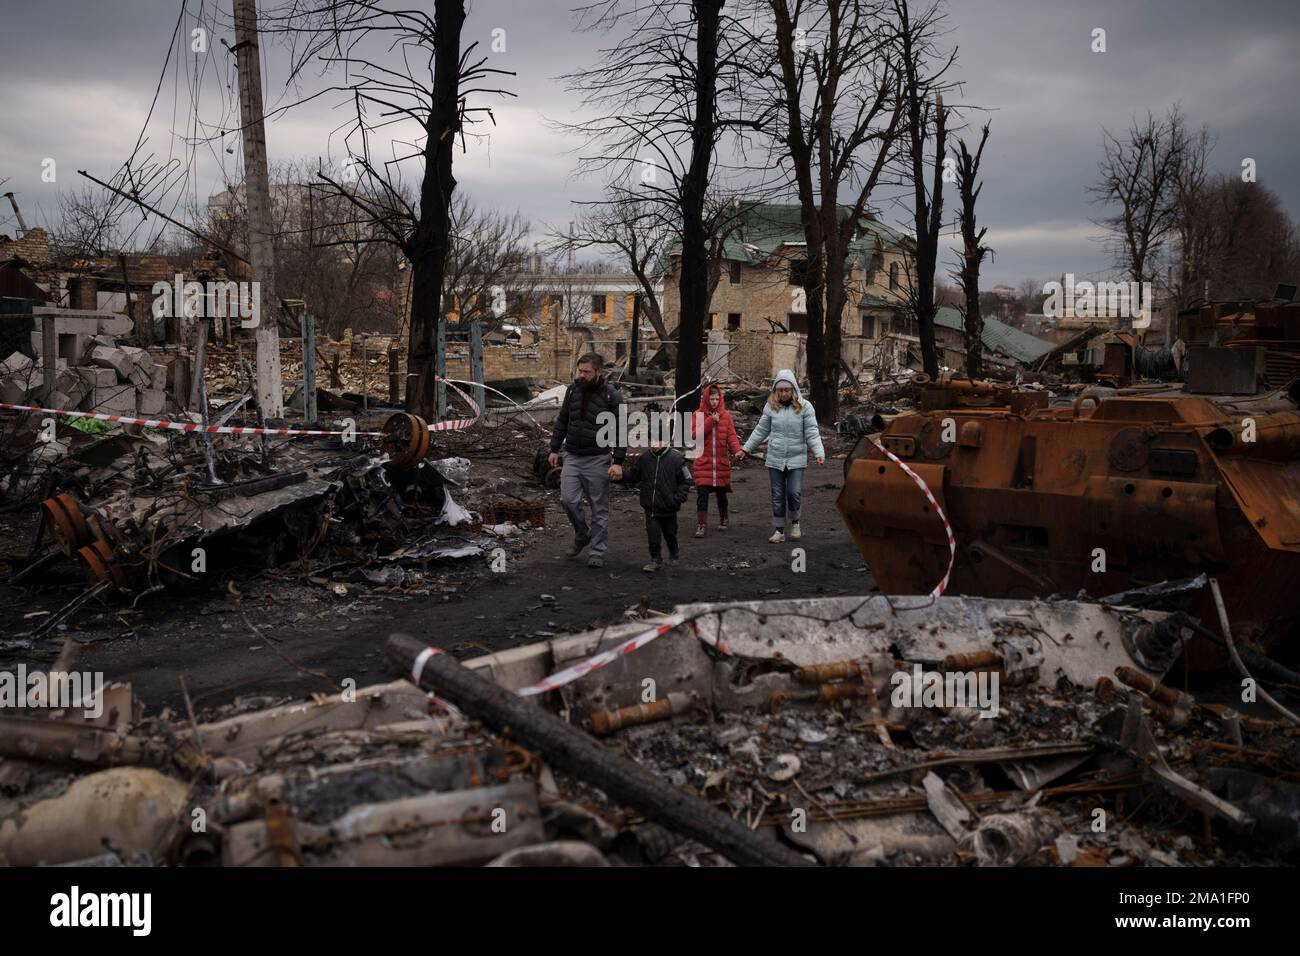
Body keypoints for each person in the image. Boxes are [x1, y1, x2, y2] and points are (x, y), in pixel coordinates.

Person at [548, 353, 625, 567]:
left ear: (598, 372)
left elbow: (620, 431)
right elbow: (563, 419)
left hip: (598, 458)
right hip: (572, 455)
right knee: (568, 500)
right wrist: (554, 448)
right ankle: (582, 534)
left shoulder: (612, 396)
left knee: (598, 508)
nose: (581, 375)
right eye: (580, 371)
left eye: (586, 372)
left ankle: (597, 552)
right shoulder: (572, 390)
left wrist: (618, 461)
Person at [736, 369, 826, 544]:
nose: (784, 393)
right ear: (776, 390)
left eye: (787, 390)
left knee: (794, 492)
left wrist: (818, 452)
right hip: (775, 458)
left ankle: (795, 522)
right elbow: (761, 430)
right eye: (780, 390)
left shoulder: (805, 407)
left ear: (793, 389)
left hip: (796, 458)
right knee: (777, 494)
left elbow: (812, 432)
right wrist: (745, 449)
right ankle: (779, 530)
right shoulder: (770, 407)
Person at [625, 438, 693, 572]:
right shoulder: (645, 458)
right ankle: (655, 559)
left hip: (669, 507)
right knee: (653, 535)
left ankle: (674, 553)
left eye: (658, 440)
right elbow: (634, 475)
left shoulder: (676, 459)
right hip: (651, 507)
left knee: (670, 534)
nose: (654, 444)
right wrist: (620, 476)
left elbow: (687, 479)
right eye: (651, 440)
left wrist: (678, 499)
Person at [691, 383, 741, 537]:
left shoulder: (726, 416)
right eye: (711, 399)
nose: (714, 402)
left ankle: (724, 518)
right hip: (703, 462)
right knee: (702, 494)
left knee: (721, 494)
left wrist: (737, 450)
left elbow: (731, 436)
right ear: (706, 398)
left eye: (716, 399)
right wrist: (710, 421)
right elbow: (694, 435)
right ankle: (702, 524)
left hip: (720, 463)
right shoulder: (698, 414)